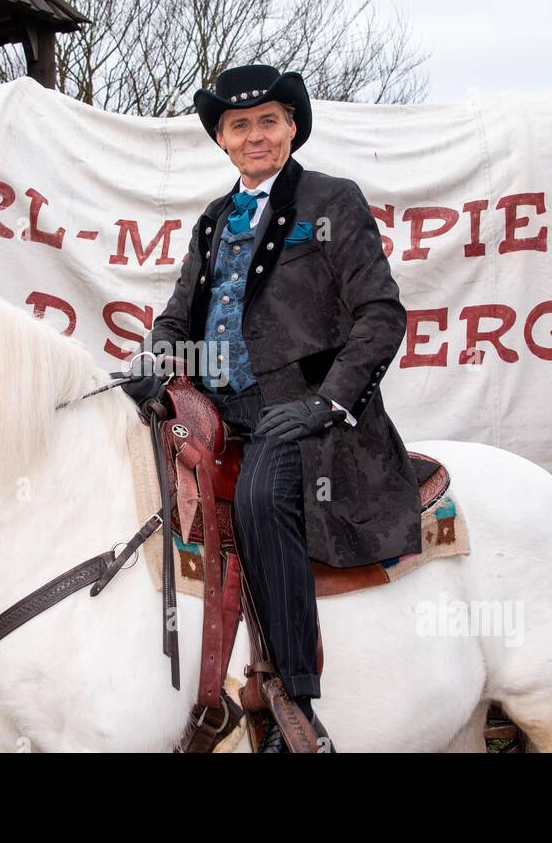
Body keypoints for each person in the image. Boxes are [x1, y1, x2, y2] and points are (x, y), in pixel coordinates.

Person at [120, 64, 421, 753]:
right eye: (239, 126)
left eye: (268, 121)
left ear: (291, 128)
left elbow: (380, 315)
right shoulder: (212, 222)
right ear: (221, 140)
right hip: (217, 414)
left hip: (304, 417)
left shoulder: (333, 200)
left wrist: (326, 404)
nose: (255, 135)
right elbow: (175, 322)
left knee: (260, 497)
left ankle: (294, 704)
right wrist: (157, 363)